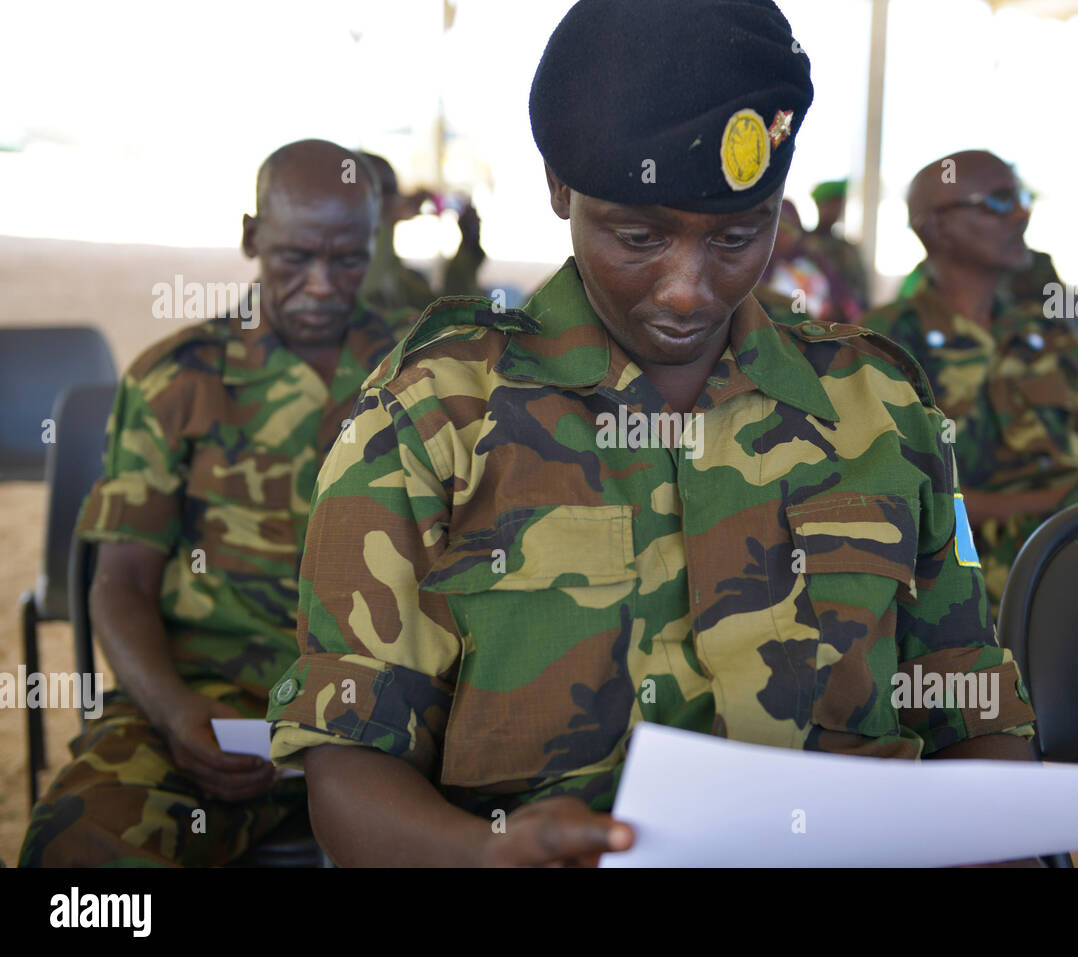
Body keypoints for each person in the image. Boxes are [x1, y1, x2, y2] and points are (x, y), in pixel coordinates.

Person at [267, 0, 1037, 868]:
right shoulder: (431, 412)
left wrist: (996, 828)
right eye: (638, 236)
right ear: (560, 187)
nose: (686, 289)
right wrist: (480, 853)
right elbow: (348, 763)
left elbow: (970, 700)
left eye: (738, 237)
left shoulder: (878, 403)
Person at [19, 139, 402, 867]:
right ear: (252, 236)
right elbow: (119, 581)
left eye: (348, 259)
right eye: (294, 258)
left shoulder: (419, 371)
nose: (321, 285)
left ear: (374, 245)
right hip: (207, 705)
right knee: (78, 850)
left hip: (386, 718)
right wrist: (175, 709)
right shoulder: (177, 382)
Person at [864, 150, 1078, 613]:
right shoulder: (882, 344)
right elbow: (899, 497)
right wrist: (1061, 504)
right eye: (1001, 201)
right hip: (970, 553)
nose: (1023, 214)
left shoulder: (1045, 330)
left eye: (1022, 197)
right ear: (937, 226)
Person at [357, 151, 486, 315]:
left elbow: (449, 314)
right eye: (378, 191)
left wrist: (468, 245)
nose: (392, 200)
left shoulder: (398, 274)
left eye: (392, 191)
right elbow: (368, 290)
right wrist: (385, 222)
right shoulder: (340, 266)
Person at [755, 199, 863, 325]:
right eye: (779, 230)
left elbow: (844, 299)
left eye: (791, 229)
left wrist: (834, 311)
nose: (786, 236)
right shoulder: (760, 268)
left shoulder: (814, 260)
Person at [805, 178, 870, 311]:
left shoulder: (848, 248)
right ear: (819, 205)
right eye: (830, 204)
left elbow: (861, 291)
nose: (836, 210)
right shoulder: (804, 244)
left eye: (839, 205)